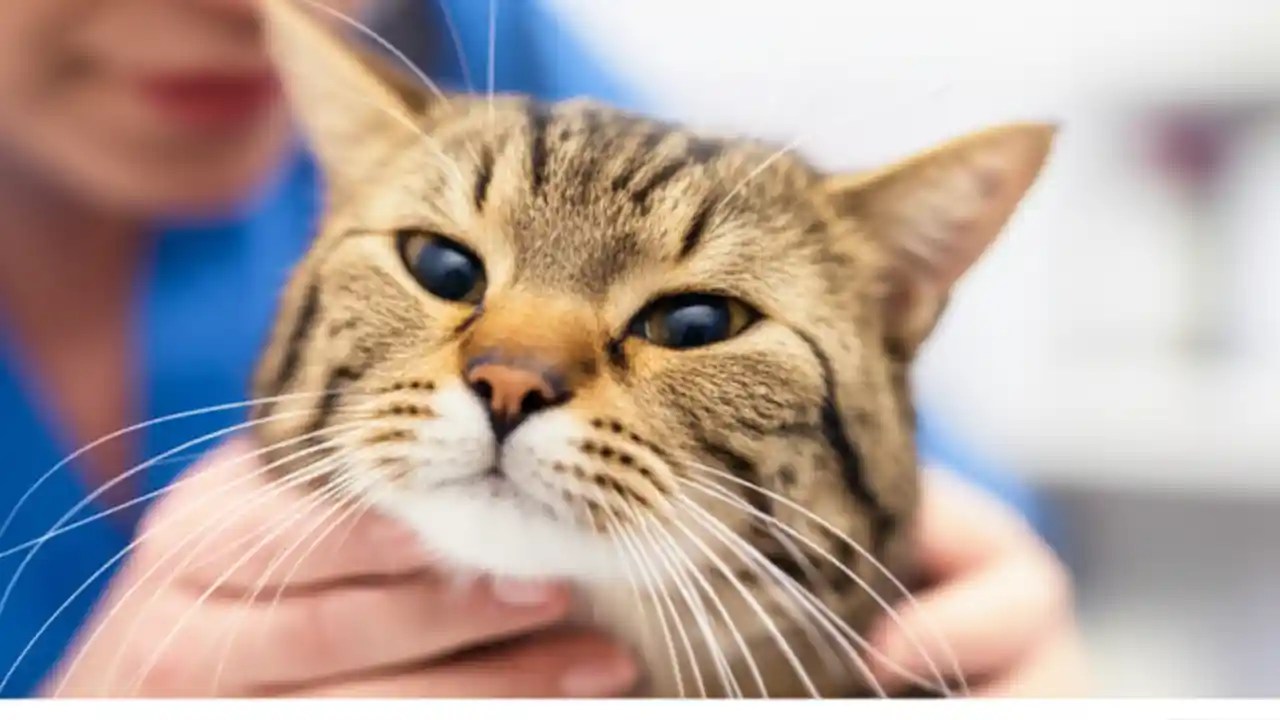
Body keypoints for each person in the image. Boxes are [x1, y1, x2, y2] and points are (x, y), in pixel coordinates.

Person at [0, 0, 1087, 699]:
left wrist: (986, 643)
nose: (514, 375)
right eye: (444, 267)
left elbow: (939, 522)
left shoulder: (453, 36)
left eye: (691, 322)